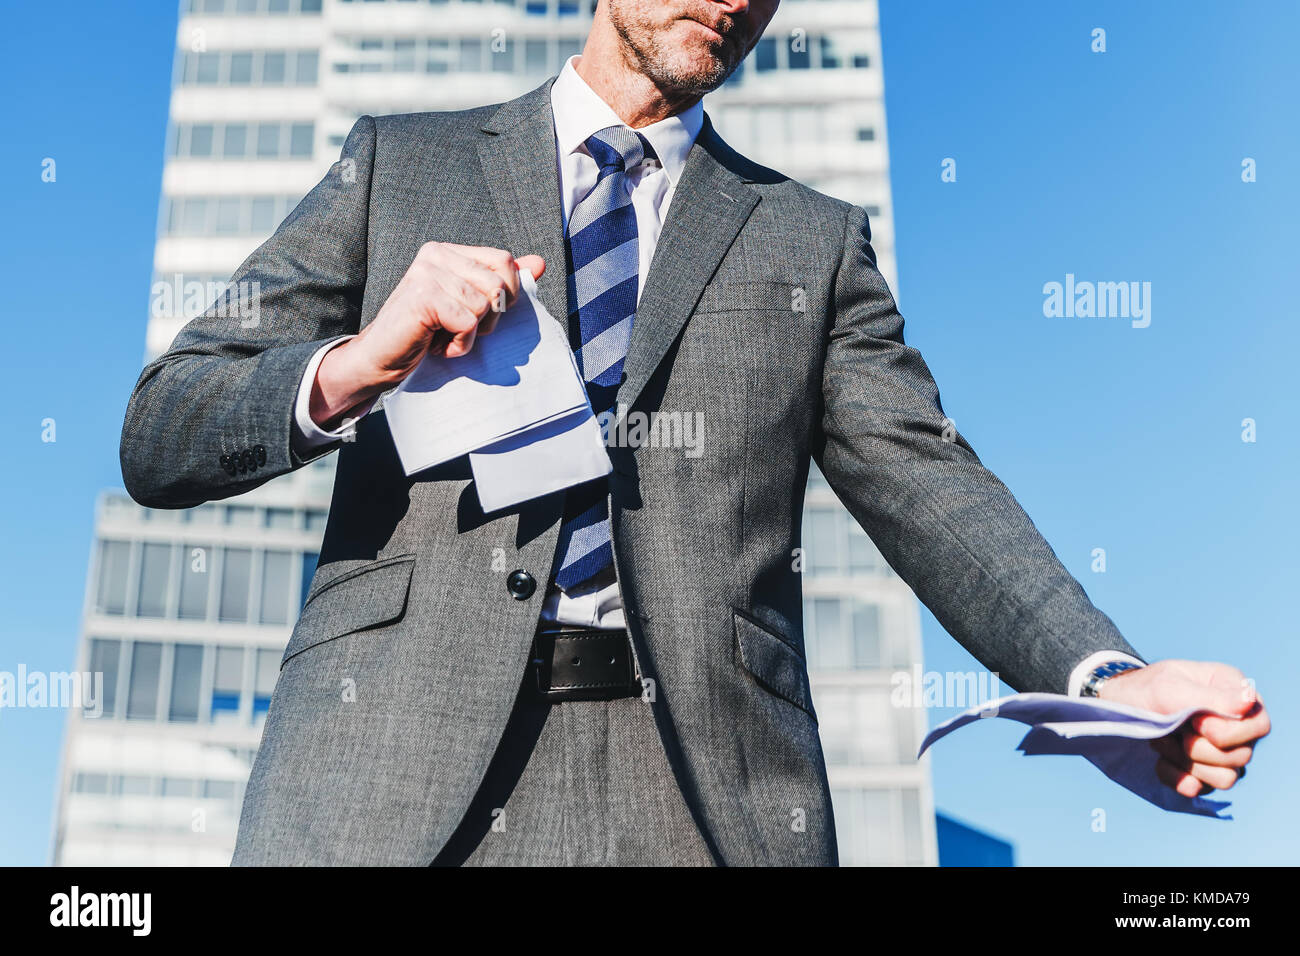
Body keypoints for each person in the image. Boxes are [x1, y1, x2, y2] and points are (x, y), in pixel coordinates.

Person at [120, 0, 1269, 866]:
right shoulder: (398, 163)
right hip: (385, 773)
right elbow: (163, 429)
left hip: (702, 799)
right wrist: (357, 362)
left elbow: (928, 478)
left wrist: (1104, 671)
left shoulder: (811, 243)